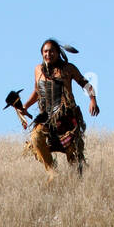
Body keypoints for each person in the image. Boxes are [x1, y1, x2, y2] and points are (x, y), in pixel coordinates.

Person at [22, 39, 99, 177]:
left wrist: (93, 100)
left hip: (67, 117)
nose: (48, 54)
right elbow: (37, 92)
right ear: (42, 53)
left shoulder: (68, 69)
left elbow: (86, 85)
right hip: (46, 118)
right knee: (36, 138)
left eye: (51, 51)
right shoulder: (38, 70)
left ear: (58, 52)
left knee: (73, 152)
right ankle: (52, 172)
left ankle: (77, 180)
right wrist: (25, 106)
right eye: (45, 51)